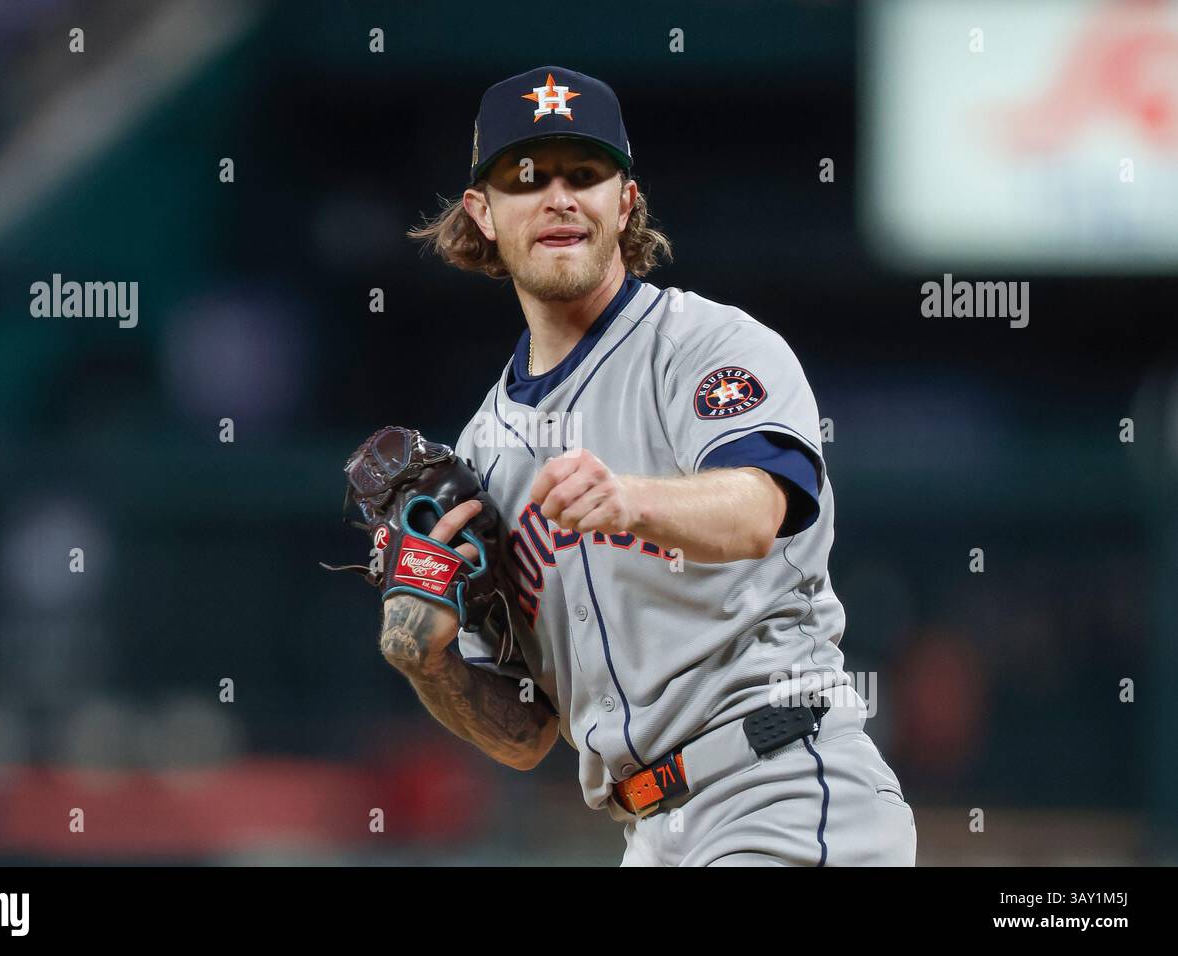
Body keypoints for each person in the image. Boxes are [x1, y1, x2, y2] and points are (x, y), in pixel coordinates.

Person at [388, 66, 916, 866]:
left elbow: (754, 513)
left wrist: (627, 497)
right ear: (483, 213)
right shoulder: (481, 454)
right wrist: (426, 661)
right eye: (526, 177)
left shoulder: (707, 346)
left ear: (624, 201)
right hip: (649, 832)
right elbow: (525, 734)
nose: (559, 196)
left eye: (585, 173)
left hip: (781, 787)